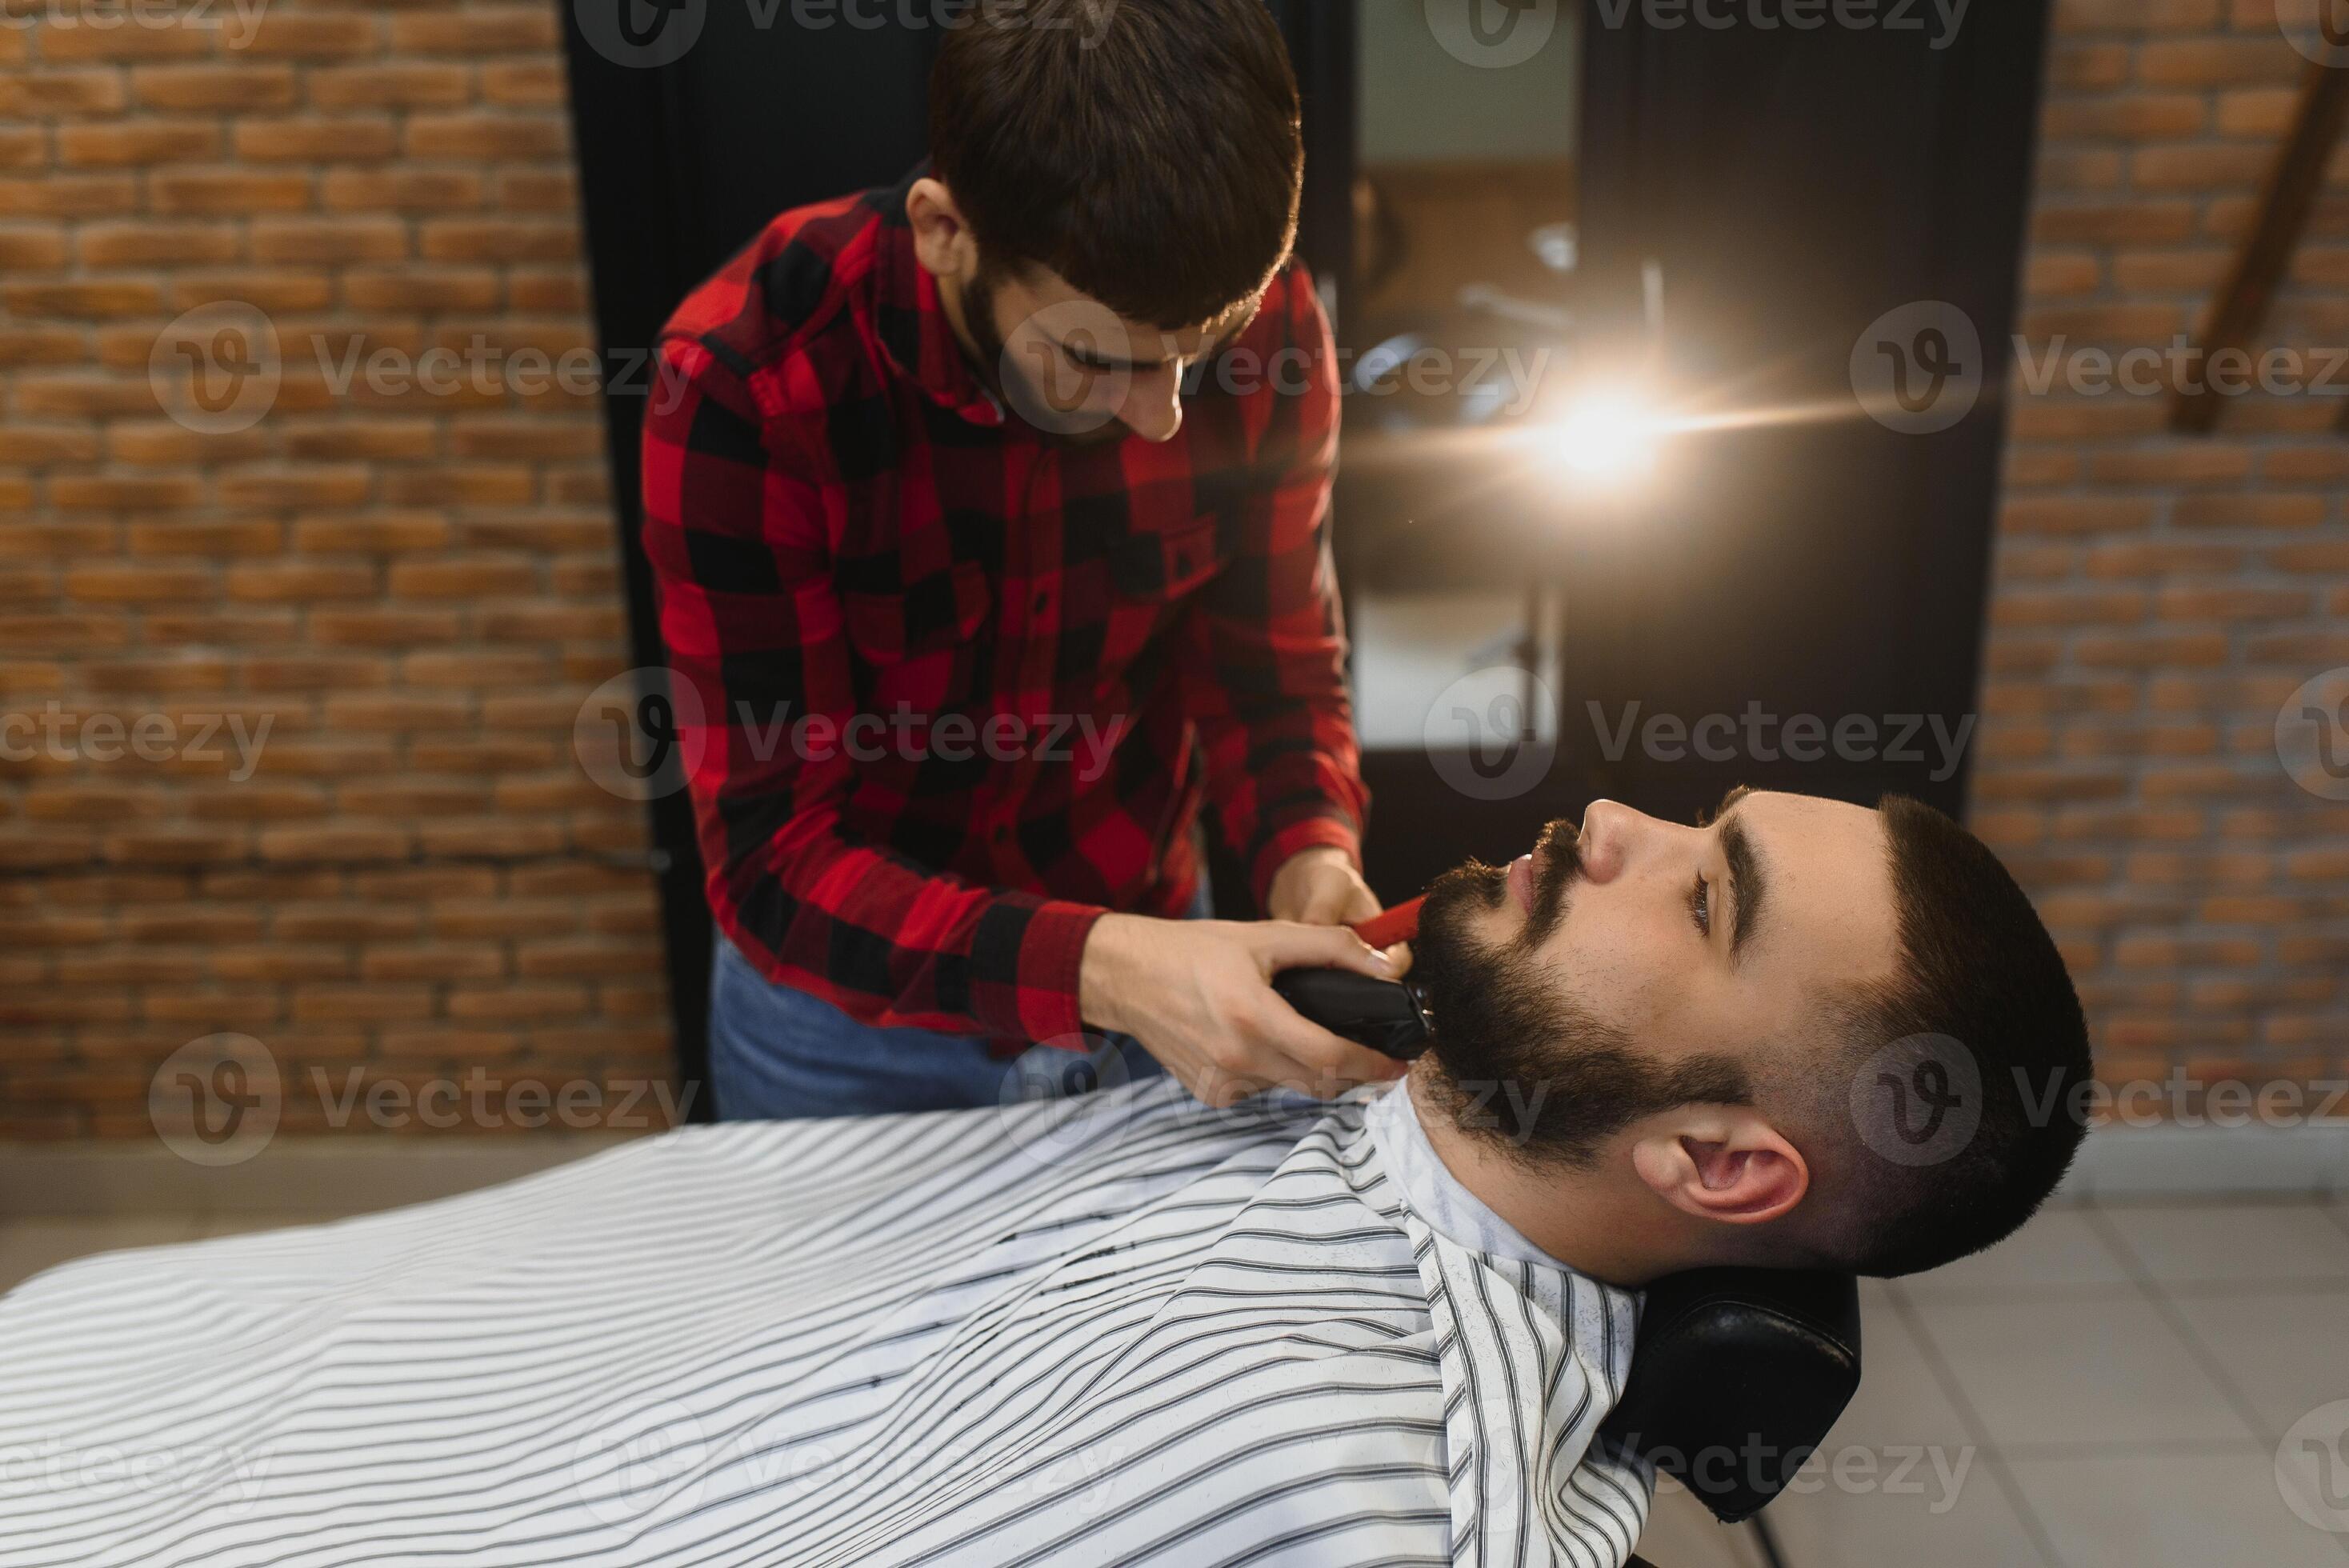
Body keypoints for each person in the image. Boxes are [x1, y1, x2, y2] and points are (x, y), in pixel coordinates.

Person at [0, 791, 2092, 1566]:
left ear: (1723, 1157)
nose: (1614, 813)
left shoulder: (1345, 1484)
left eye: (1705, 892)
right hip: (351, 1356)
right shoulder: (1394, 1074)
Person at [642, 0, 1404, 1122]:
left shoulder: (1274, 325)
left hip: (1155, 946)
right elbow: (776, 864)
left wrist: (1312, 858)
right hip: (850, 1036)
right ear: (947, 230)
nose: (1161, 416)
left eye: (1196, 354)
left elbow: (1273, 678)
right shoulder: (744, 380)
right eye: (1095, 358)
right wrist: (1108, 969)